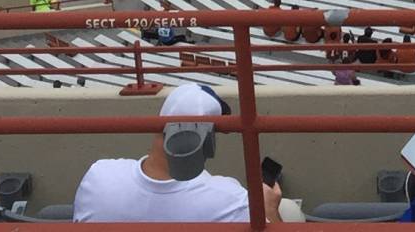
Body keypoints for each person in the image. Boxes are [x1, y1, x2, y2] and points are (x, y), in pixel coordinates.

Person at [71, 82, 278, 222]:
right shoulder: (230, 200)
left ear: (158, 124)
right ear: (208, 141)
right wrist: (267, 209)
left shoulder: (99, 175)